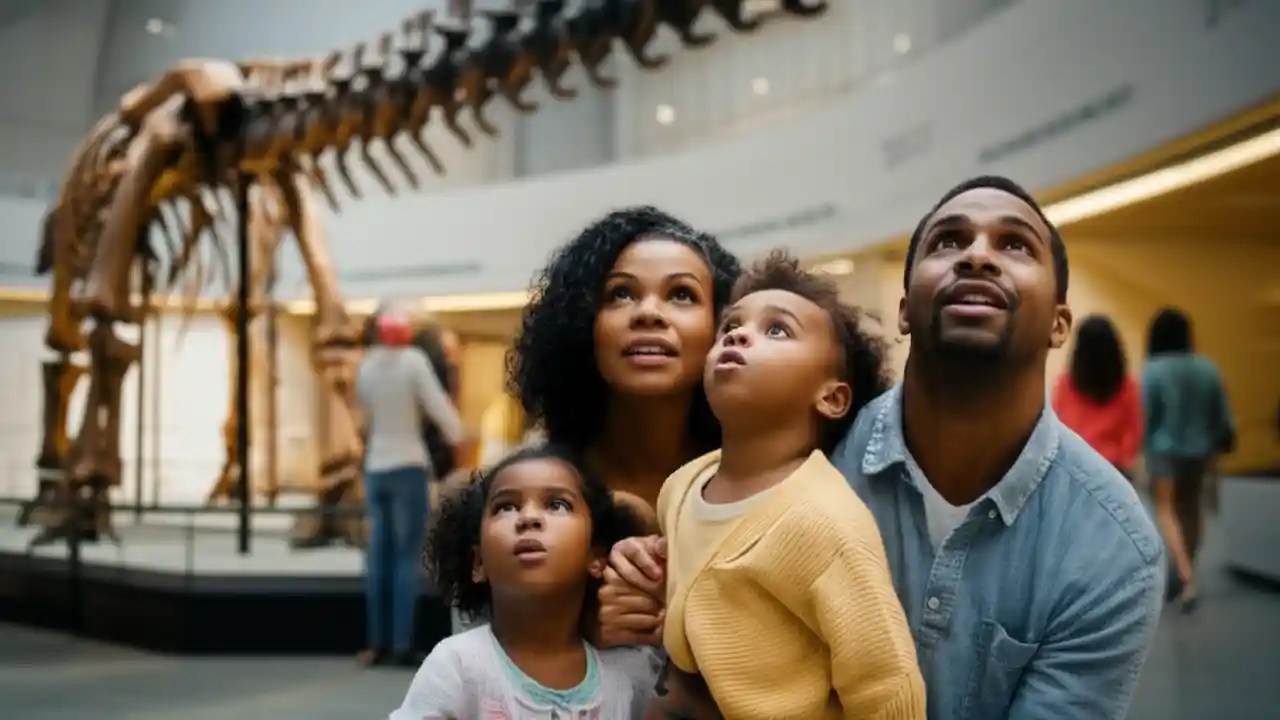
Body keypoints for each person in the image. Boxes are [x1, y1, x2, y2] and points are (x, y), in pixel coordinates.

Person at [605, 176, 1166, 719]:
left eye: (1014, 244)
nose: (976, 256)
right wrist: (639, 593)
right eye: (948, 241)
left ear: (1060, 323)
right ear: (903, 309)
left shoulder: (1113, 548)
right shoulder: (796, 458)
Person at [648, 251, 924, 719]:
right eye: (731, 325)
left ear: (832, 398)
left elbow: (887, 685)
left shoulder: (825, 522)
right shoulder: (681, 486)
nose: (738, 333)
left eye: (777, 330)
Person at [389, 444, 661, 719]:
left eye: (557, 504)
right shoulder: (458, 666)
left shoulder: (630, 676)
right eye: (505, 507)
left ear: (596, 556)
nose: (528, 518)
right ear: (478, 563)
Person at [508, 205, 741, 512]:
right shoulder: (533, 498)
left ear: (722, 325)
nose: (648, 313)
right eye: (621, 294)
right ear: (582, 323)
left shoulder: (761, 485)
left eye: (682, 294)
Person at [355, 304, 467, 668]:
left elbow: (362, 419)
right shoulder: (414, 362)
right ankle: (402, 644)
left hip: (376, 467)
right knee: (405, 558)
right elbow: (439, 408)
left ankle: (377, 642)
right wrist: (460, 437)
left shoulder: (367, 366)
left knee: (379, 558)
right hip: (409, 466)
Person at [1142, 307, 1235, 611]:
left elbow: (1145, 416)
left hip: (1164, 451)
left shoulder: (1152, 369)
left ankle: (1185, 576)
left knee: (1167, 510)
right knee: (1193, 510)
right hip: (1201, 451)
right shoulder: (1208, 368)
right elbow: (1220, 413)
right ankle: (1188, 570)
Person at [1052, 314, 1142, 478]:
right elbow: (1132, 429)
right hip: (1113, 468)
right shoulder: (1127, 385)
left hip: (1074, 465)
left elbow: (1058, 425)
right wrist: (1125, 459)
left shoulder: (1066, 383)